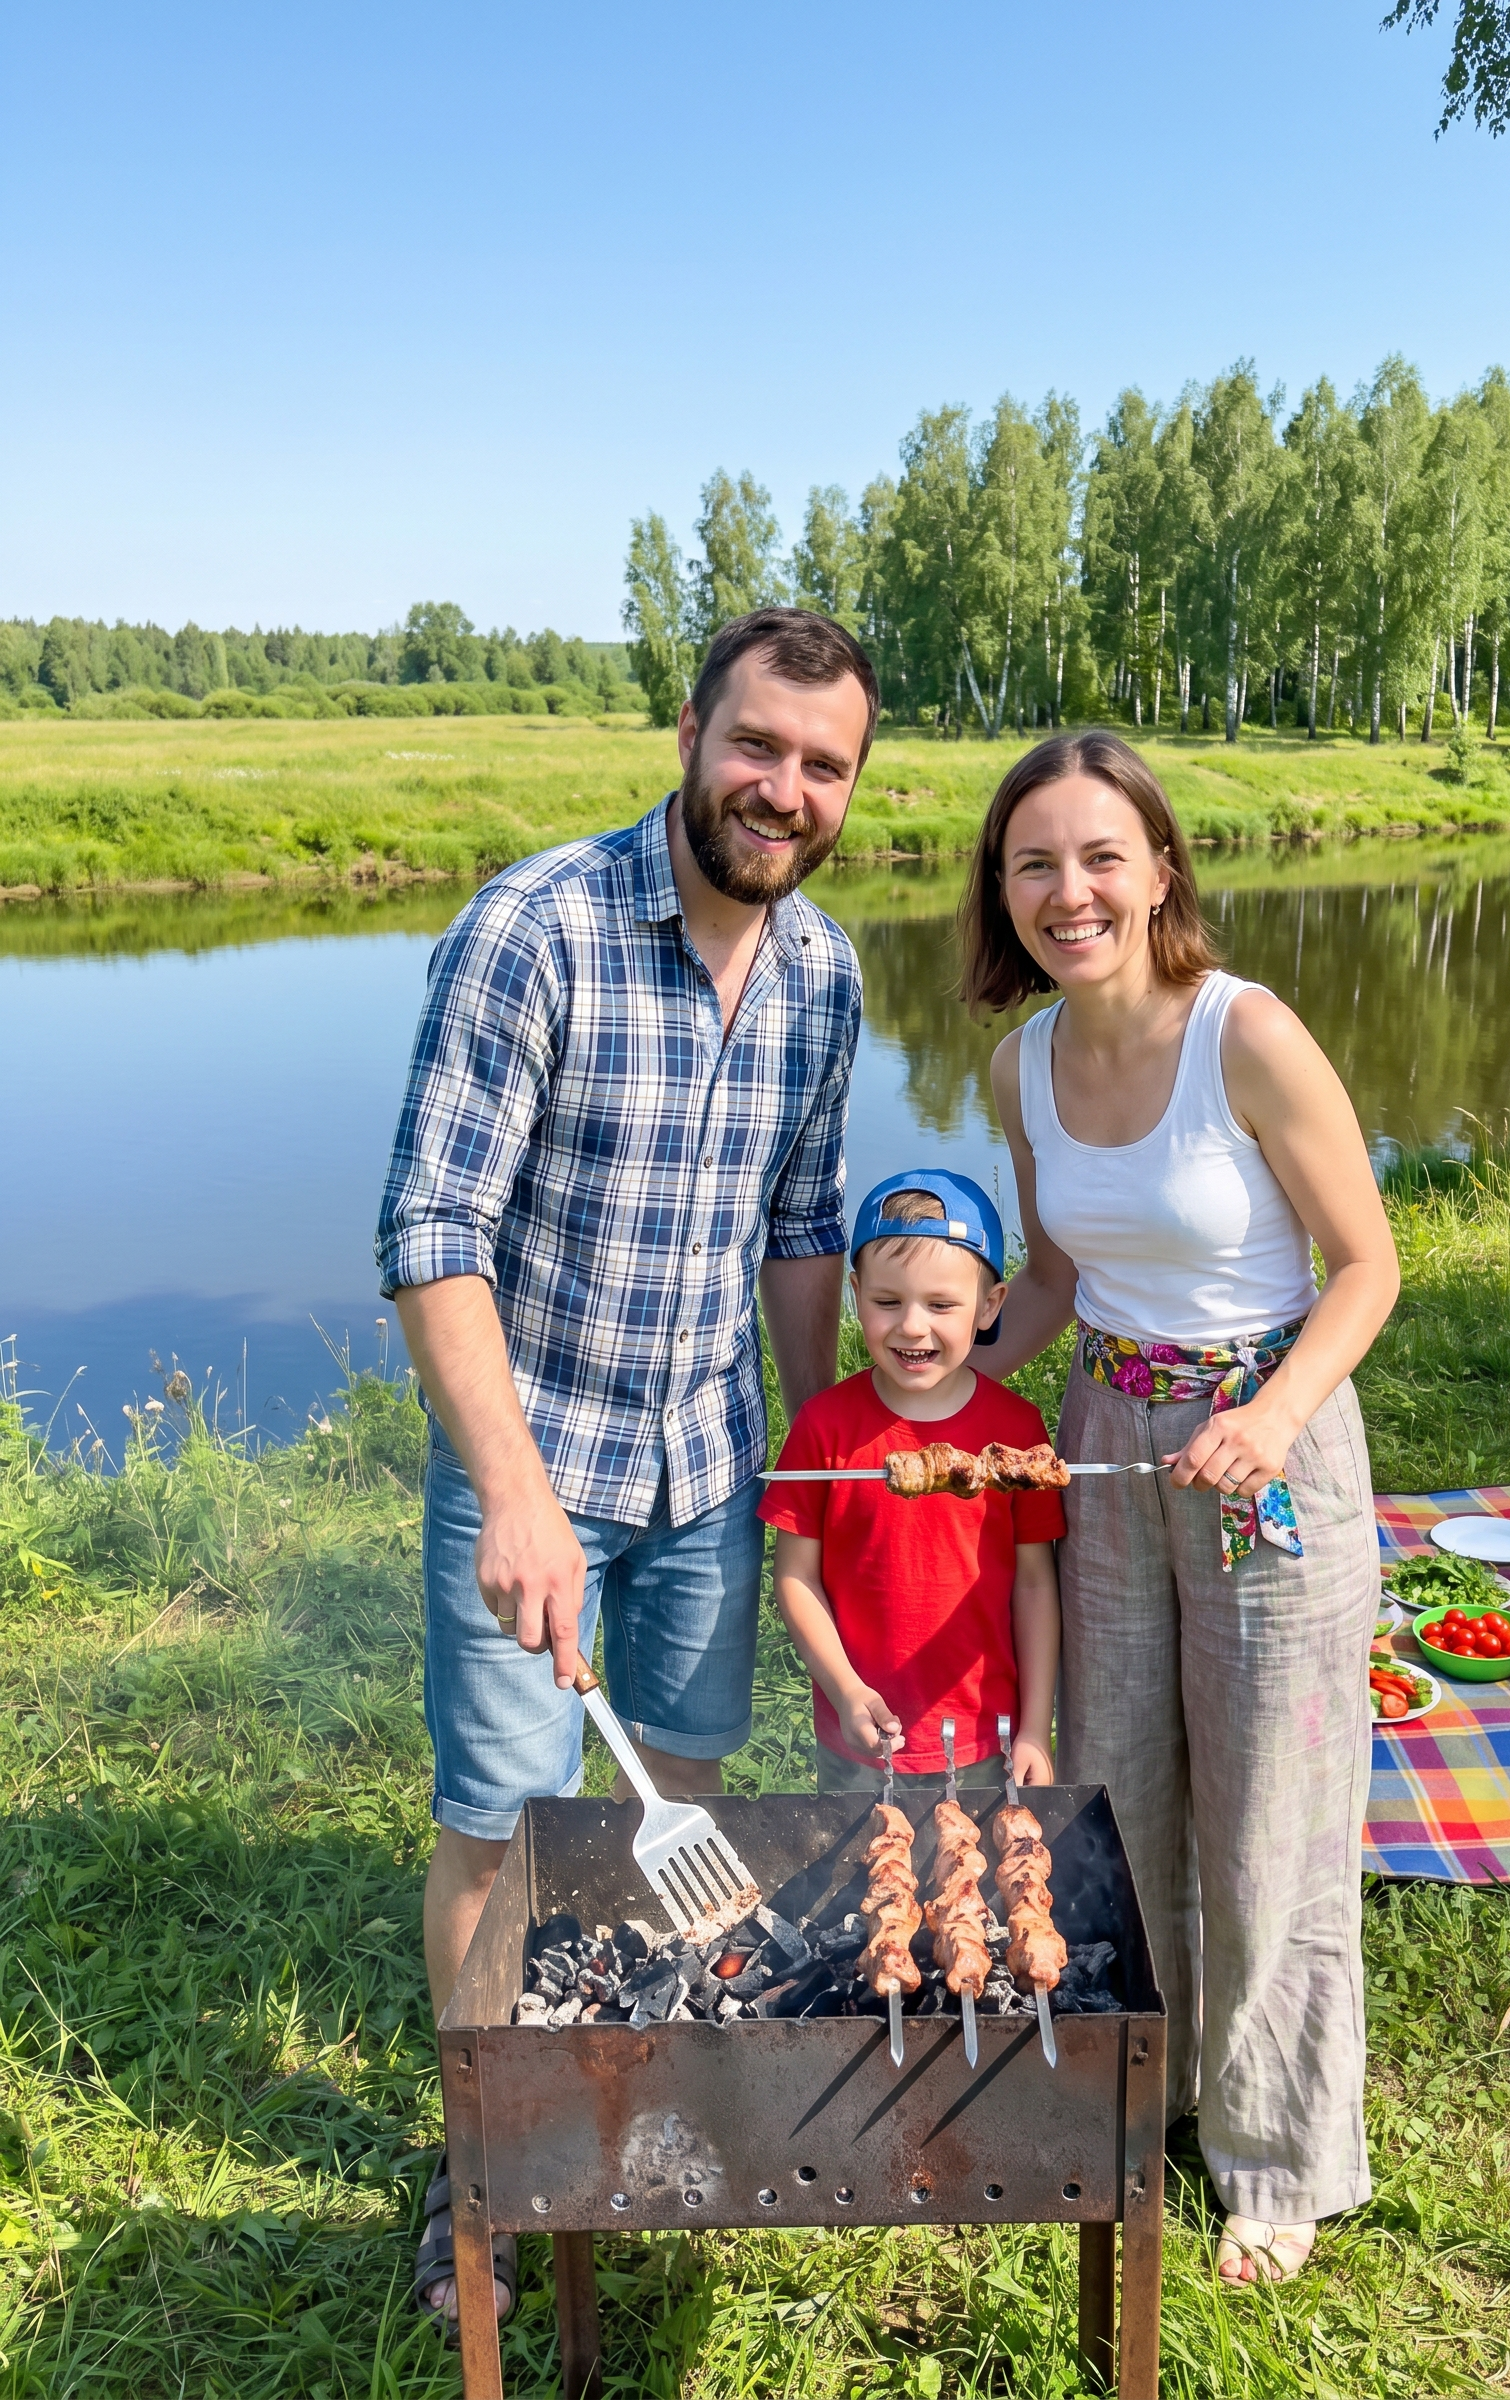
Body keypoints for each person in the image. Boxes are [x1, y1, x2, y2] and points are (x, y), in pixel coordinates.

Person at [375, 607, 878, 2323]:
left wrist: (818, 1455)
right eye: (758, 745)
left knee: (666, 1802)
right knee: (503, 1835)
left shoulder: (824, 974)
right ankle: (483, 2181)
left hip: (713, 1464)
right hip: (545, 1460)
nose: (782, 788)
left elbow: (803, 1225)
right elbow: (431, 1229)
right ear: (688, 732)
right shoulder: (534, 928)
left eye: (821, 766)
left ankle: (604, 2092)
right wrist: (514, 1492)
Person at [961, 731, 1400, 2288]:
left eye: (1097, 857)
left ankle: (1278, 2157)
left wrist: (1272, 1419)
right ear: (1000, 890)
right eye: (1032, 863)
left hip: (1266, 1449)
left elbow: (1369, 1267)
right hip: (1104, 1440)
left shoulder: (1249, 1037)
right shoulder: (1020, 1064)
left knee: (1271, 1810)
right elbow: (1060, 1282)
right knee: (1121, 1787)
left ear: (1158, 871)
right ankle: (1144, 2096)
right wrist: (940, 1369)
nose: (1066, 892)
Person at [761, 1173, 1062, 1793]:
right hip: (859, 1737)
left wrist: (1035, 1727)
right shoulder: (824, 1429)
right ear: (855, 1295)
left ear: (990, 1306)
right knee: (869, 1884)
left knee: (983, 1886)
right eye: (888, 1301)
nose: (912, 1328)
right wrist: (844, 1690)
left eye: (941, 1305)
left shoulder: (1017, 1433)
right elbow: (795, 1576)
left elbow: (1034, 1585)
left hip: (989, 1737)